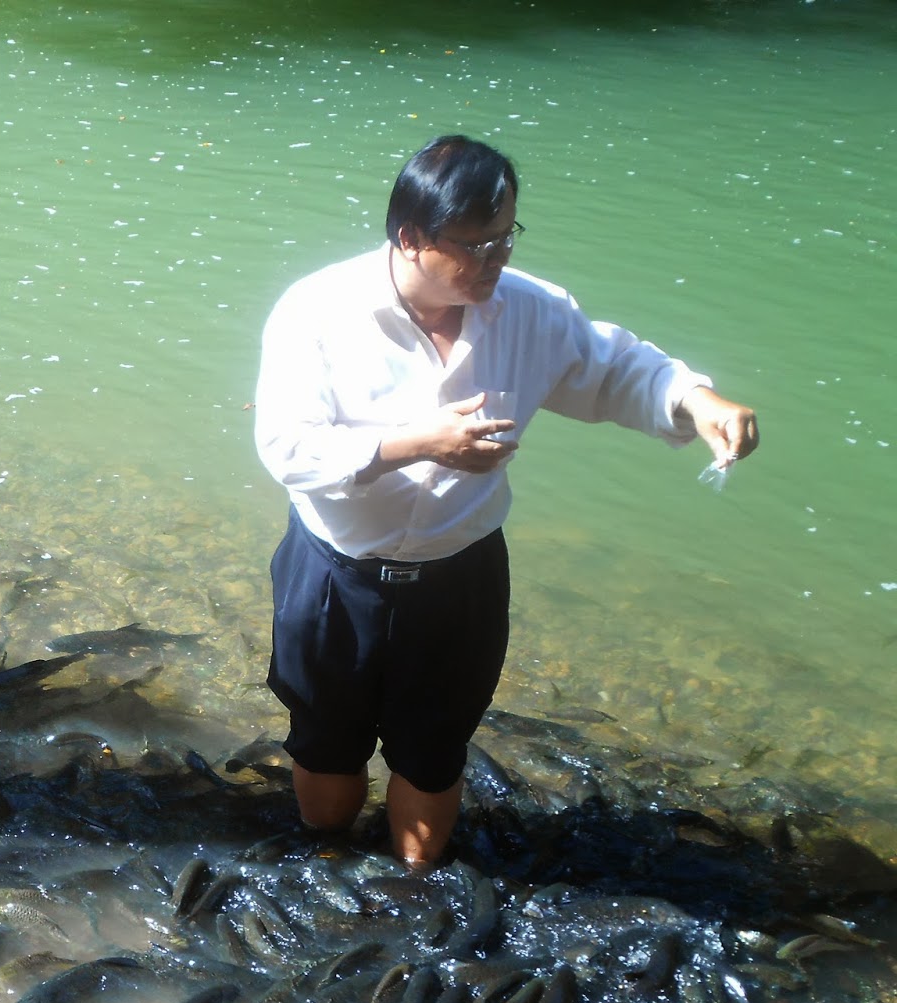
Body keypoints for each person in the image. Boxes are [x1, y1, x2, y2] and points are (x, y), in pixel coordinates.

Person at [254, 134, 759, 867]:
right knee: (326, 746)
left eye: (505, 240)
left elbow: (616, 368)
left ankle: (413, 890)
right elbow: (285, 447)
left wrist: (698, 400)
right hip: (335, 573)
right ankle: (324, 862)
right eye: (475, 245)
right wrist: (418, 443)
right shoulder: (317, 313)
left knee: (433, 752)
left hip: (459, 576)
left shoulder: (529, 310)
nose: (496, 261)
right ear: (410, 237)